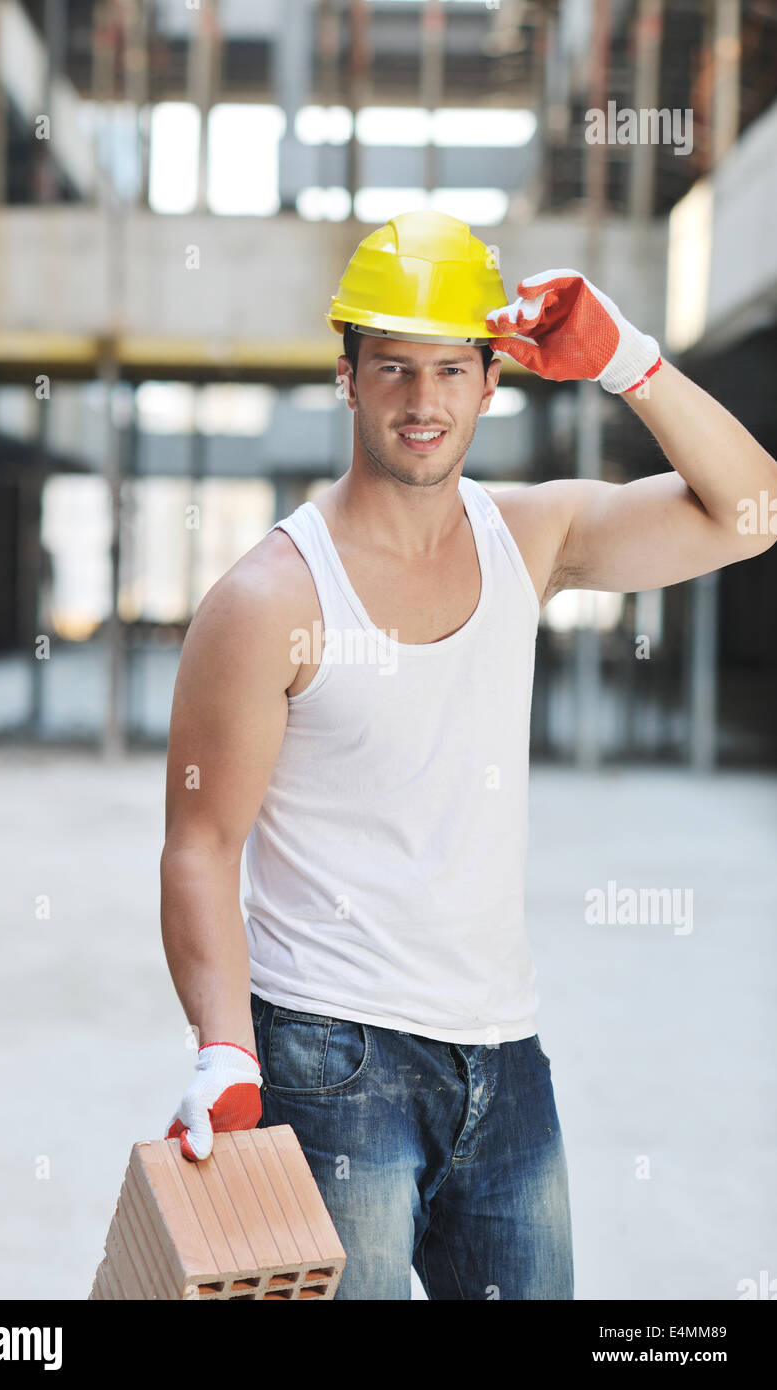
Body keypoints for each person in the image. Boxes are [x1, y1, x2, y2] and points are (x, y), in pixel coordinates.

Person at [160, 210, 776, 1300]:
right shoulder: (269, 599)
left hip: (503, 1055)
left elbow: (750, 511)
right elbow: (202, 844)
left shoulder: (529, 538)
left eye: (449, 369)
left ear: (492, 381)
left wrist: (627, 360)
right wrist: (224, 1050)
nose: (421, 400)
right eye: (391, 366)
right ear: (346, 376)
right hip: (328, 1058)